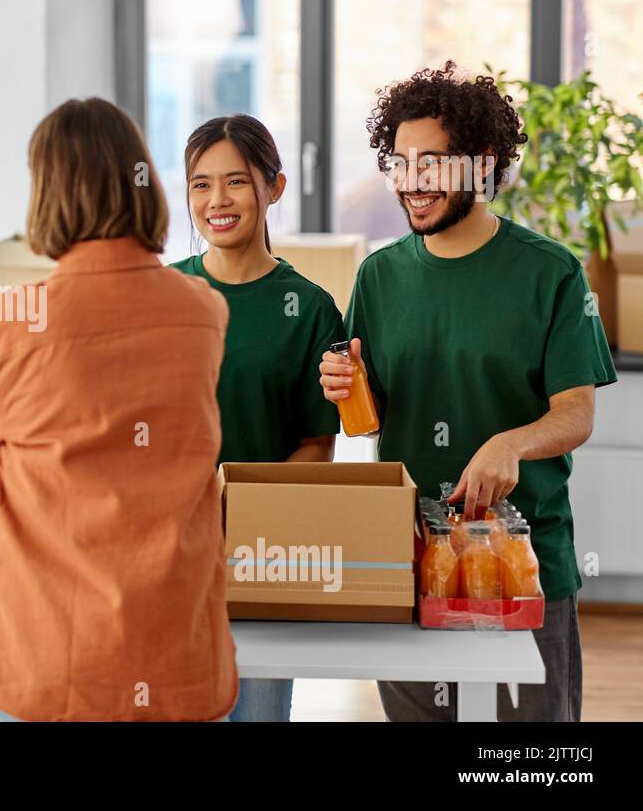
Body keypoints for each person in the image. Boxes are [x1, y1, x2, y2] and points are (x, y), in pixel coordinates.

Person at [0, 97, 237, 722]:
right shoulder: (202, 311)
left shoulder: (13, 324)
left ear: (48, 194)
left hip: (51, 662)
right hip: (178, 650)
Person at [319, 62, 616, 721]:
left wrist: (512, 442)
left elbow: (576, 411)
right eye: (399, 162)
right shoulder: (379, 277)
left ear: (483, 165)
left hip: (524, 562)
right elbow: (365, 423)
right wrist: (341, 389)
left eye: (432, 162)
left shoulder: (551, 274)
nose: (411, 181)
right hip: (411, 560)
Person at [169, 115, 343, 722]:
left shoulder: (312, 310)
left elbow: (316, 446)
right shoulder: (159, 297)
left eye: (236, 182)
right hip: (162, 556)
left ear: (274, 188)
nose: (217, 201)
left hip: (260, 556)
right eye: (199, 184)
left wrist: (237, 504)